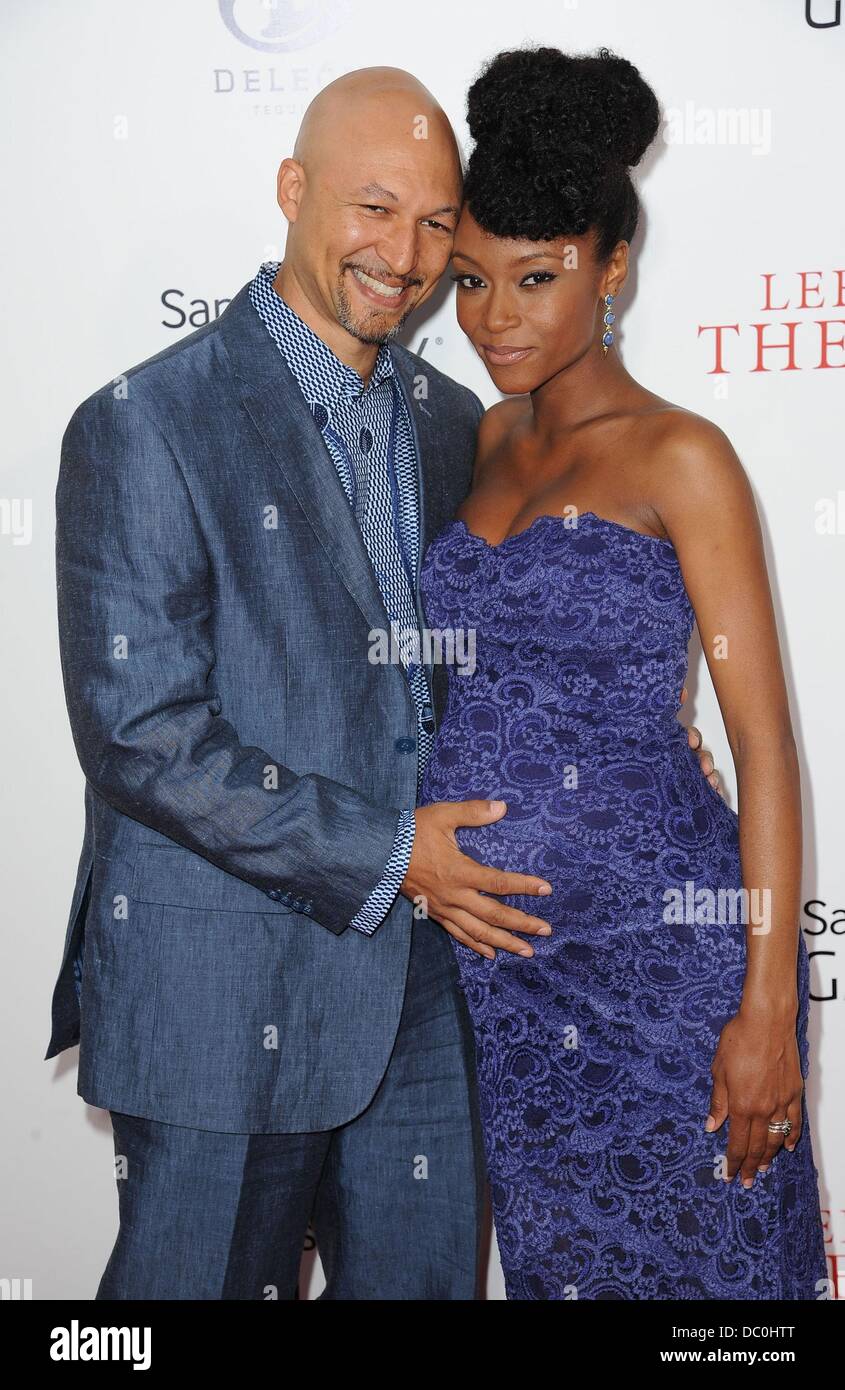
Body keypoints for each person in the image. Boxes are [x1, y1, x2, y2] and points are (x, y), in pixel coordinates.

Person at [46, 64, 720, 1301]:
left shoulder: (455, 418)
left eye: (431, 222)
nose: (403, 255)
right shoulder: (146, 422)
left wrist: (631, 724)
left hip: (430, 993)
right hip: (217, 994)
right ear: (292, 191)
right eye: (370, 208)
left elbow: (500, 647)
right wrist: (389, 852)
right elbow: (139, 734)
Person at [413, 45, 828, 1300]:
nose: (494, 318)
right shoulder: (474, 437)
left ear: (611, 268)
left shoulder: (678, 456)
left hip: (669, 967)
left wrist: (764, 1010)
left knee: (707, 1288)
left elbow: (759, 742)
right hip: (508, 977)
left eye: (536, 279)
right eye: (473, 280)